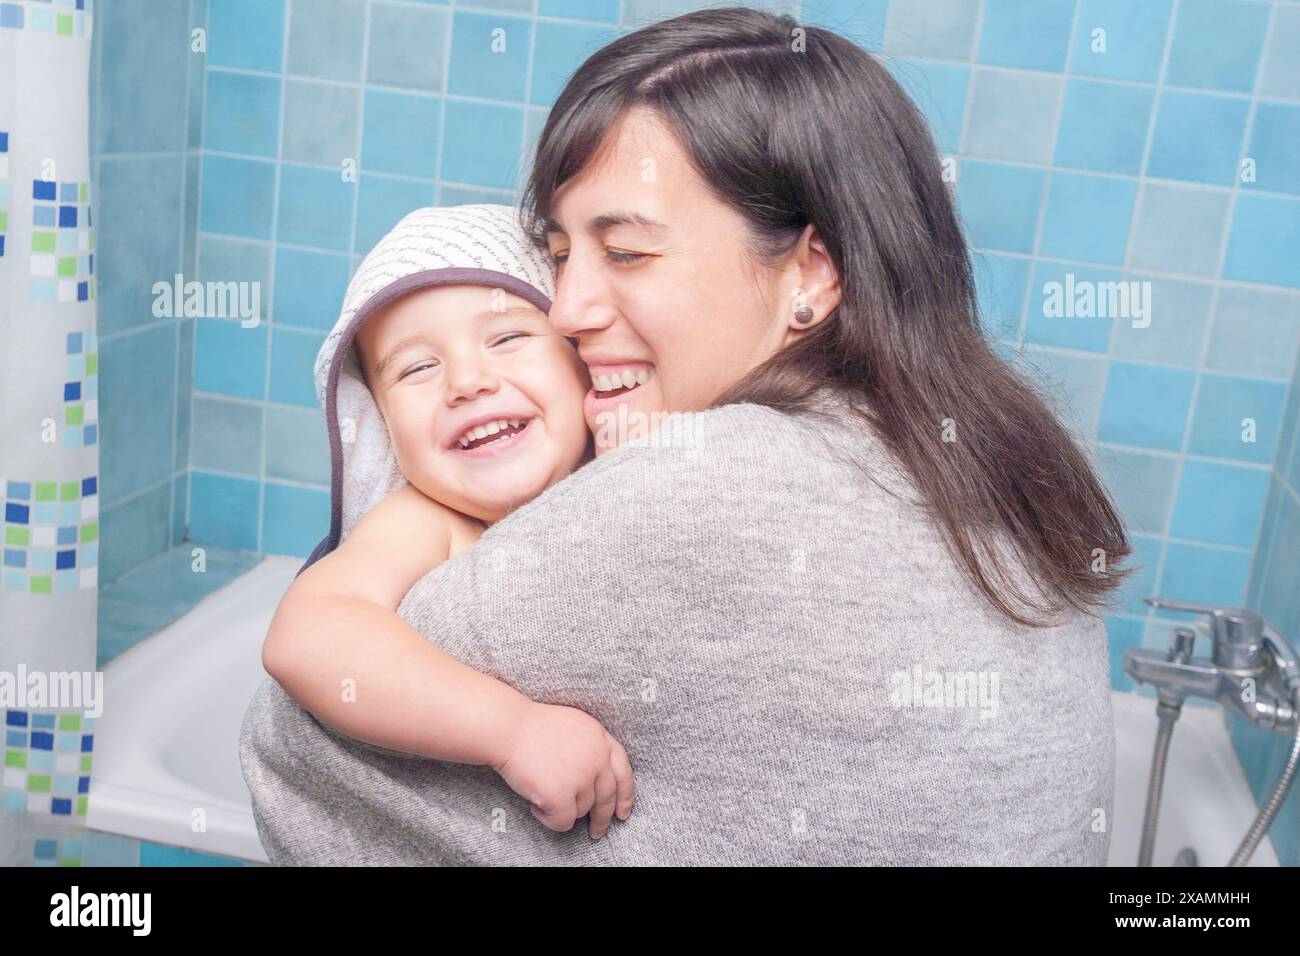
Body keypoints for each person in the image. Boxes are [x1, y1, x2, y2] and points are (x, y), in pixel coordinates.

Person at [240, 7, 1127, 865]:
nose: (572, 310)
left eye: (626, 253)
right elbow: (315, 647)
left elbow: (296, 752)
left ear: (811, 273)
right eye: (558, 257)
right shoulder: (989, 450)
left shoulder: (711, 488)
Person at [260, 204, 634, 843]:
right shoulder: (427, 520)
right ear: (381, 427)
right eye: (416, 368)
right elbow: (305, 635)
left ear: (581, 360)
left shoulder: (633, 482)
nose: (466, 381)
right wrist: (513, 730)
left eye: (508, 338)